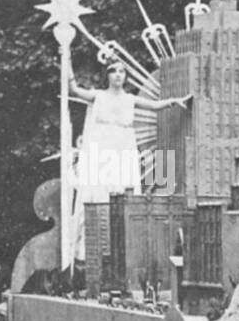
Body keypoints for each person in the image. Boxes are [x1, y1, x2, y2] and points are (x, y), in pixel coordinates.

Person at [68, 62, 191, 261]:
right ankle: (91, 249)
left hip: (123, 149)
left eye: (121, 71)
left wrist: (175, 100)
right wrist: (66, 56)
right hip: (102, 149)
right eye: (113, 71)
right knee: (99, 191)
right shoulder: (98, 96)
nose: (118, 75)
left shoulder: (130, 99)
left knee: (123, 192)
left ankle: (122, 248)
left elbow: (154, 105)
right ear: (106, 75)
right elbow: (74, 90)